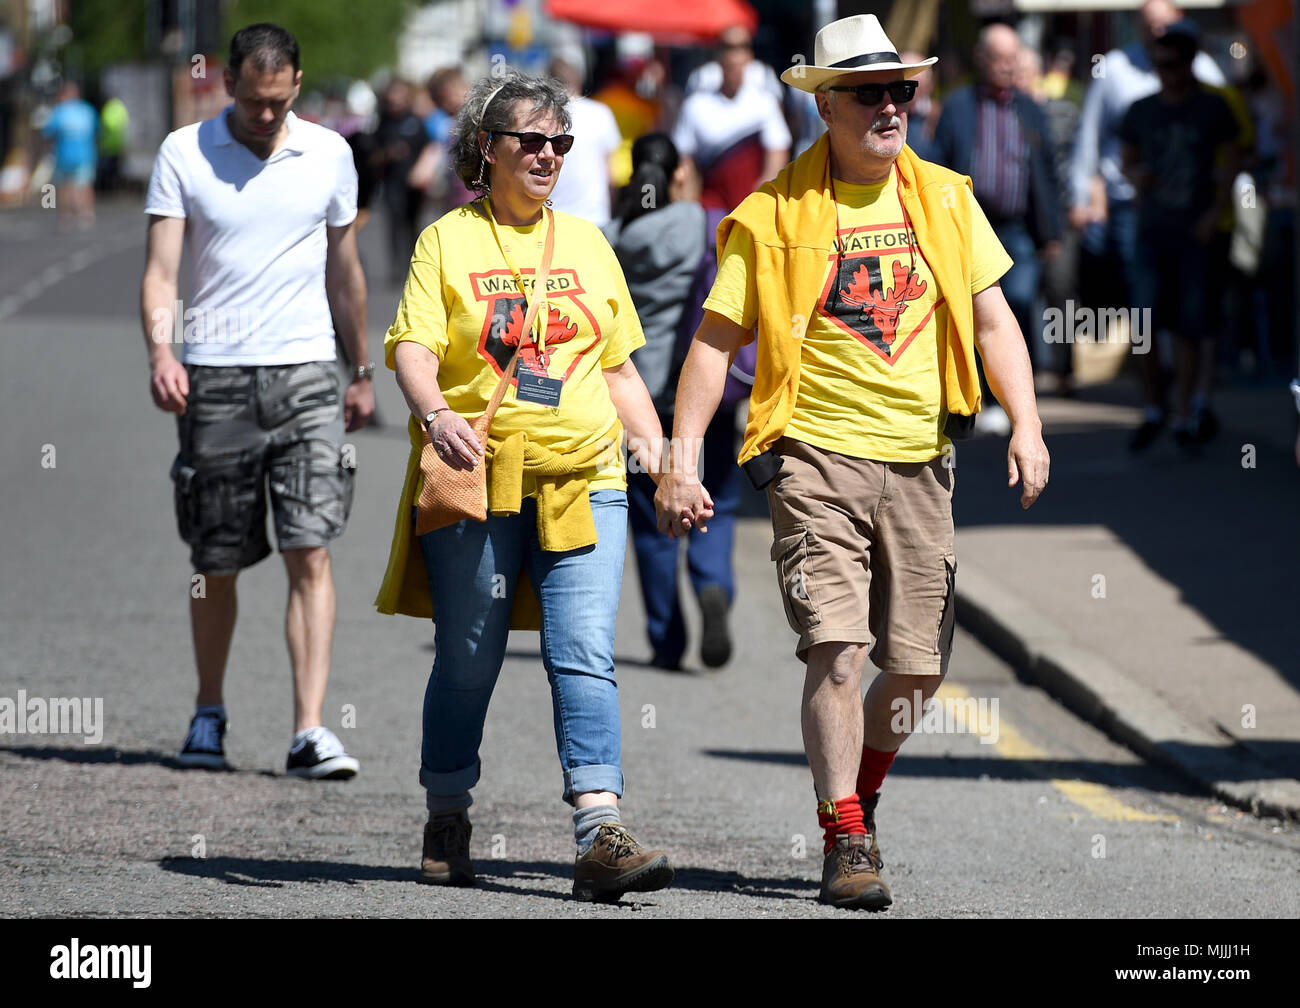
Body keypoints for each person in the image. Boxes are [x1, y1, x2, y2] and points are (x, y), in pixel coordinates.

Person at [655, 14, 1049, 910]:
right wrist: (680, 460)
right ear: (825, 105)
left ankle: (859, 794)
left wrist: (1026, 424)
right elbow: (715, 346)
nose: (890, 106)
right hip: (813, 458)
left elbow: (994, 321)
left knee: (917, 671)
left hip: (920, 460)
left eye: (900, 90)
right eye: (869, 93)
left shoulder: (947, 197)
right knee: (837, 650)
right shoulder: (772, 215)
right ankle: (843, 835)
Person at [375, 68, 675, 902]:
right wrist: (436, 413)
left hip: (585, 478)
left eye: (559, 143)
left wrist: (666, 461)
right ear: (486, 149)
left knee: (583, 653)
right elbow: (412, 347)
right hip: (480, 482)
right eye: (530, 142)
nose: (547, 155)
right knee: (470, 658)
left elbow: (618, 370)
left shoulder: (586, 243)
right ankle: (446, 808)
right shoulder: (447, 242)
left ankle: (598, 831)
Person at [141, 23, 374, 779]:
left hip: (307, 372)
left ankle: (309, 729)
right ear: (228, 84)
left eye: (276, 103)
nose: (264, 116)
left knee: (311, 544)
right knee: (218, 556)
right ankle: (209, 712)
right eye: (251, 102)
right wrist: (162, 351)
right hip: (215, 374)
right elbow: (161, 270)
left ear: (296, 86)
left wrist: (361, 366)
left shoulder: (331, 154)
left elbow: (345, 271)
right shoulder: (185, 152)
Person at [603, 134, 711, 669]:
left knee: (649, 518)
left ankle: (668, 638)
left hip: (631, 396)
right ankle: (715, 582)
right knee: (711, 497)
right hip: (692, 386)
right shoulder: (699, 224)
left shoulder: (610, 239)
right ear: (676, 177)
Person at [933, 23, 1064, 431]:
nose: (1009, 67)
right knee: (974, 312)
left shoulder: (1030, 108)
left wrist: (1052, 232)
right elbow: (939, 161)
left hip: (1019, 229)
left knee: (1020, 303)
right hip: (969, 227)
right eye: (1000, 59)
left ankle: (1017, 399)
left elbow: (1047, 172)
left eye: (1014, 59)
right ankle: (983, 399)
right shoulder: (957, 106)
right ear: (982, 60)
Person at [1118, 23, 1240, 449]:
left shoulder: (1212, 107)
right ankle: (1155, 408)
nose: (1165, 72)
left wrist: (1216, 212)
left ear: (1189, 63)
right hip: (1152, 230)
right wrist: (1136, 175)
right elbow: (1125, 160)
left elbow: (1234, 160)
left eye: (1172, 64)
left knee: (1189, 327)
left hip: (1195, 230)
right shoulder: (1142, 109)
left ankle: (1186, 412)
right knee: (1147, 327)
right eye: (1159, 64)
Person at [546, 55, 622, 227]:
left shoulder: (544, 117)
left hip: (554, 218)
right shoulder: (601, 113)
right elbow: (612, 175)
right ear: (579, 81)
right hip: (596, 217)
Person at [372, 80, 430, 285]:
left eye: (398, 98)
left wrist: (422, 171)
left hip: (414, 185)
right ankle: (397, 268)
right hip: (392, 183)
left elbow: (428, 147)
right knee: (394, 224)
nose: (394, 103)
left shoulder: (415, 121)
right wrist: (388, 154)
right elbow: (373, 154)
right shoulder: (383, 123)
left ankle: (415, 265)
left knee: (413, 225)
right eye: (391, 99)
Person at [42, 81, 98, 229]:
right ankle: (86, 213)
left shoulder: (59, 111)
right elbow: (95, 131)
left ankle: (67, 215)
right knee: (84, 185)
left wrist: (49, 150)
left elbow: (48, 133)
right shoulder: (87, 110)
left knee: (65, 186)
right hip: (84, 154)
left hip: (64, 154)